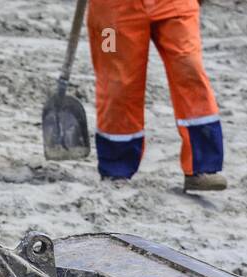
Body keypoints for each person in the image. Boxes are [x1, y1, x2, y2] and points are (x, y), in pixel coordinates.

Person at [87, 0, 226, 190]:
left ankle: (202, 167)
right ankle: (116, 168)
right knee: (115, 83)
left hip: (175, 5)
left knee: (190, 66)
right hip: (111, 13)